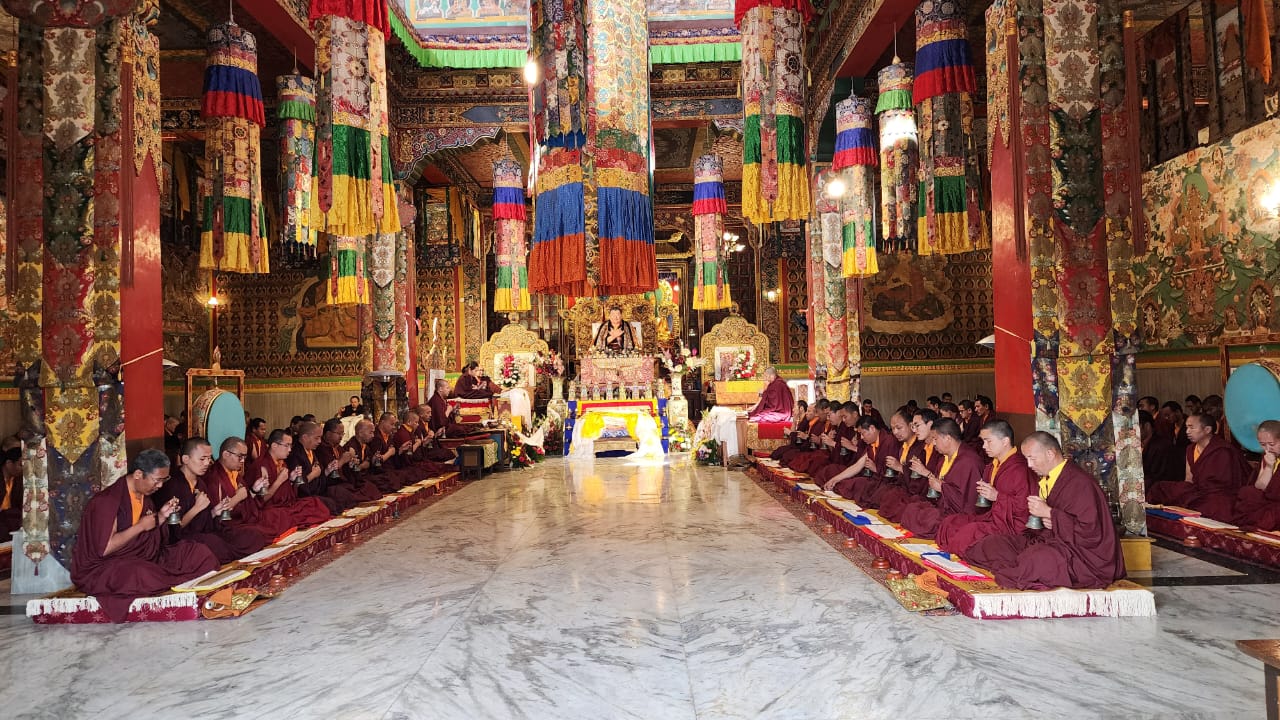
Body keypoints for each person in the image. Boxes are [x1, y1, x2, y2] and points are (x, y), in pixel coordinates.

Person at [70, 449, 220, 622]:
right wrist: (140, 526)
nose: (160, 486)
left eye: (164, 480)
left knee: (198, 552)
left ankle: (171, 579)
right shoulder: (107, 502)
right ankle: (173, 583)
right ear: (138, 474)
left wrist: (162, 516)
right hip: (103, 568)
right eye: (157, 480)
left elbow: (154, 539)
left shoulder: (144, 496)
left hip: (145, 557)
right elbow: (105, 549)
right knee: (140, 574)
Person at [966, 432, 1126, 590]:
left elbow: (1092, 533)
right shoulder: (1047, 478)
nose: (1029, 465)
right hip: (1048, 542)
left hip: (1083, 556)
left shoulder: (1080, 484)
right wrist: (1046, 517)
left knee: (1038, 559)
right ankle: (1020, 568)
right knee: (992, 544)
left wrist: (1051, 514)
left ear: (1050, 454)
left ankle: (1022, 568)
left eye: (1032, 459)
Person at [153, 438, 266, 564]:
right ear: (186, 459)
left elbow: (207, 522)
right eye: (202, 459)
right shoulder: (172, 485)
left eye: (208, 458)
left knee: (253, 536)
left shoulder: (200, 483)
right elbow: (171, 530)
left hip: (206, 533)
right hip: (183, 539)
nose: (207, 463)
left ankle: (230, 555)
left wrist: (214, 512)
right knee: (215, 545)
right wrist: (196, 508)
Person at [936, 420, 1037, 558]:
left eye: (988, 441)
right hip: (992, 517)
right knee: (951, 523)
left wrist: (997, 497)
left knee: (970, 532)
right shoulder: (993, 466)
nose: (984, 446)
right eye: (983, 441)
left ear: (1005, 441)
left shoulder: (1020, 469)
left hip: (1012, 525)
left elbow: (1025, 508)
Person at [1147, 413, 1249, 521]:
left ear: (1207, 429)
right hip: (1198, 492)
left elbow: (1227, 485)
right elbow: (1189, 480)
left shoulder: (1223, 450)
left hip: (1218, 493)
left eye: (1192, 427)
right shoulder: (1190, 449)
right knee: (1159, 487)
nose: (1187, 432)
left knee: (1217, 503)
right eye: (1186, 427)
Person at [895, 418, 983, 539]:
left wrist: (942, 487)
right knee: (912, 508)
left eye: (935, 439)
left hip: (959, 514)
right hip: (941, 506)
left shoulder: (969, 461)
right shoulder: (944, 458)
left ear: (947, 438)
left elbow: (969, 502)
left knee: (934, 520)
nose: (934, 443)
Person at [247, 429, 334, 526]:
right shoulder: (261, 466)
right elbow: (260, 501)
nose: (290, 449)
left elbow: (288, 494)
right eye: (287, 445)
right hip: (271, 510)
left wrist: (292, 481)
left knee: (315, 503)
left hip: (286, 506)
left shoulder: (282, 463)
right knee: (279, 517)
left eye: (290, 445)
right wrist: (279, 481)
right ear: (274, 446)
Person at [875, 408, 944, 520]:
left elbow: (941, 481)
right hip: (917, 490)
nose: (915, 430)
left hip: (932, 497)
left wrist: (902, 468)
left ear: (930, 424)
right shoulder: (922, 447)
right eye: (892, 428)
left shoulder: (939, 450)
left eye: (917, 425)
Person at [830, 414, 902, 503]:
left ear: (872, 428)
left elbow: (893, 475)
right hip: (875, 482)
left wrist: (875, 469)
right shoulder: (872, 444)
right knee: (845, 484)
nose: (862, 437)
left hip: (886, 485)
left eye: (863, 433)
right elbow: (858, 465)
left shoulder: (889, 441)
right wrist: (835, 479)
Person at [317, 418, 382, 506]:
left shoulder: (339, 448)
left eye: (342, 433)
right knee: (342, 493)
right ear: (328, 434)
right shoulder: (321, 449)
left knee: (369, 487)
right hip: (330, 486)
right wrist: (342, 461)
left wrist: (352, 465)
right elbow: (326, 474)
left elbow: (348, 472)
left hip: (344, 483)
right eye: (338, 434)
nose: (341, 437)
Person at [1233, 420, 1280, 530]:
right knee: (1247, 494)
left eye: (1272, 444)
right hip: (1270, 502)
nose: (1267, 449)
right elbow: (1260, 486)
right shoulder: (1268, 456)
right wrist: (1269, 467)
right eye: (1263, 445)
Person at [286, 422, 342, 514]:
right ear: (305, 437)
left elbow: (319, 478)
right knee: (331, 503)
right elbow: (299, 488)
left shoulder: (311, 452)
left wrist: (327, 471)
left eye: (320, 437)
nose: (320, 441)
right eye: (317, 438)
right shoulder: (295, 455)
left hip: (316, 493)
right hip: (304, 498)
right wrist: (312, 475)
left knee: (338, 495)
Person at [343, 418, 398, 494]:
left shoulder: (365, 446)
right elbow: (351, 472)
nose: (373, 435)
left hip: (366, 477)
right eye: (370, 433)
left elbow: (369, 462)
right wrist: (362, 466)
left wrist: (373, 460)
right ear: (360, 433)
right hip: (356, 481)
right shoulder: (351, 448)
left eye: (373, 433)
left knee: (387, 480)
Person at [1140, 410, 1181, 488]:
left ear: (1147, 426)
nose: (1130, 431)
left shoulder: (1162, 446)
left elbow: (1159, 476)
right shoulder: (1136, 445)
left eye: (1134, 427)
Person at [0, 440, 23, 536]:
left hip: (9, 518)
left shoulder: (17, 480)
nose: (23, 469)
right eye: (20, 465)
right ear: (9, 463)